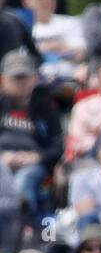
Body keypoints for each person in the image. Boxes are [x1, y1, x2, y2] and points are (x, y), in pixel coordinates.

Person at [0, 48, 63, 216]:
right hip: (2, 162)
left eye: (25, 77)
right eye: (15, 78)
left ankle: (24, 229)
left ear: (35, 78)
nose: (21, 83)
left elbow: (58, 145)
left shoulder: (46, 108)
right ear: (3, 80)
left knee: (23, 181)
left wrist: (38, 157)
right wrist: (3, 158)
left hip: (34, 164)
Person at [22, 0, 86, 87]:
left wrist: (44, 48)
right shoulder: (21, 27)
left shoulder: (72, 22)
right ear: (26, 0)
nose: (47, 0)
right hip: (35, 86)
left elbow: (81, 54)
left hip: (70, 83)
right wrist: (59, 47)